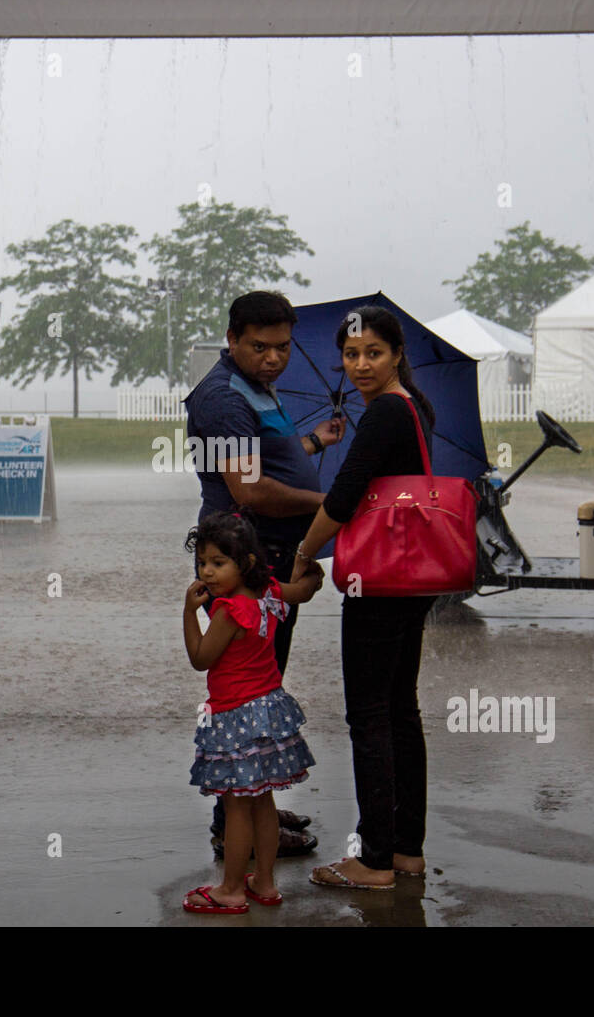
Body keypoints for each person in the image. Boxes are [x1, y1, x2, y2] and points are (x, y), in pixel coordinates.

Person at [183, 291, 344, 857]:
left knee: (263, 688)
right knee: (244, 694)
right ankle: (236, 827)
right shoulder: (223, 399)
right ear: (231, 340)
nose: (274, 358)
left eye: (282, 347)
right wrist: (329, 502)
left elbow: (266, 458)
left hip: (273, 553)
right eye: (259, 346)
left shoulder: (257, 389)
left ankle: (253, 806)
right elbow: (247, 489)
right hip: (245, 563)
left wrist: (313, 442)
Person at [289, 306, 437, 890]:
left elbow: (344, 499)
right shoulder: (416, 409)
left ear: (397, 353)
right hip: (414, 579)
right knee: (401, 711)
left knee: (370, 716)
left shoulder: (384, 414)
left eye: (373, 352)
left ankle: (373, 860)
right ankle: (406, 851)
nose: (360, 365)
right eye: (351, 355)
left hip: (378, 582)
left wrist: (304, 552)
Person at [181, 512, 323, 914]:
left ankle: (230, 889)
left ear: (243, 563)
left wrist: (189, 613)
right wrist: (311, 572)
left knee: (236, 805)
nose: (207, 573)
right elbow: (304, 591)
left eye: (218, 563)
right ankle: (264, 881)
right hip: (269, 709)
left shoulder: (228, 611)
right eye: (202, 563)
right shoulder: (270, 592)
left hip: (234, 717)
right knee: (263, 802)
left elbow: (200, 658)